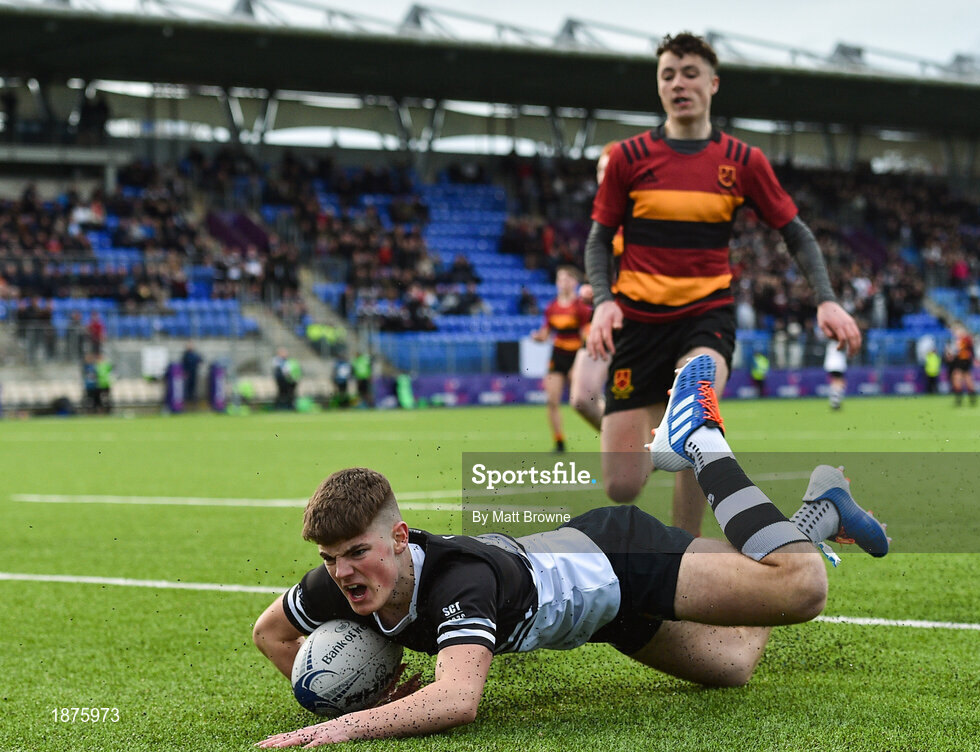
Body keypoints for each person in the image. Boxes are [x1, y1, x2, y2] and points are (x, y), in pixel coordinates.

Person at [253, 356, 888, 747]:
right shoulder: (339, 581)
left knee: (798, 589)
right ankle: (819, 510)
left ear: (399, 537)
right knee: (736, 662)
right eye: (332, 557)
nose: (343, 572)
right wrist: (370, 698)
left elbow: (456, 700)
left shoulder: (457, 581)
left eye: (356, 552)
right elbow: (272, 635)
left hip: (615, 557)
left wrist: (333, 729)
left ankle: (699, 438)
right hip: (601, 617)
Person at [585, 32, 861, 534]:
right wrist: (604, 302)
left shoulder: (743, 160)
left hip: (704, 315)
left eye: (689, 73)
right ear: (659, 86)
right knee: (622, 485)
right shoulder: (628, 157)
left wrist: (826, 301)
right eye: (667, 74)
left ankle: (687, 551)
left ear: (713, 83)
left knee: (697, 399)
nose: (678, 83)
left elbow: (794, 233)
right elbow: (599, 239)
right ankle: (665, 433)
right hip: (638, 325)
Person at [568, 142, 620, 432]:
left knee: (649, 405)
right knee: (581, 399)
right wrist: (598, 292)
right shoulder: (601, 215)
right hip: (604, 321)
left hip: (640, 321)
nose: (603, 176)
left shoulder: (640, 213)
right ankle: (638, 452)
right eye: (599, 169)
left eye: (609, 169)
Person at [531, 265, 594, 450]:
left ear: (574, 283)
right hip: (558, 355)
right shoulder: (552, 307)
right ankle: (559, 441)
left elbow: (586, 333)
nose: (563, 283)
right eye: (560, 279)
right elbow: (546, 333)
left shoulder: (581, 307)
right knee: (552, 400)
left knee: (581, 400)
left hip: (577, 355)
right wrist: (537, 337)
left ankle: (605, 428)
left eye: (567, 279)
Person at [946, 323, 977, 406]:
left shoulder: (962, 340)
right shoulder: (963, 339)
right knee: (965, 378)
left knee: (959, 378)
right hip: (962, 361)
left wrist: (951, 355)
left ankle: (960, 400)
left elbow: (959, 351)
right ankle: (971, 400)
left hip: (962, 361)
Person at [823, 338, 847, 410]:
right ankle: (835, 401)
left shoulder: (830, 342)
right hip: (838, 364)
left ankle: (834, 400)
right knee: (839, 382)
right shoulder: (839, 341)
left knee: (835, 381)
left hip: (830, 364)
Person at [182, 342, 203, 407]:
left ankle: (193, 402)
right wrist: (185, 372)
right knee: (187, 388)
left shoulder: (195, 354)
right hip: (188, 373)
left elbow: (200, 360)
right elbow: (183, 364)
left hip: (194, 373)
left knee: (193, 388)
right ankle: (186, 402)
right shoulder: (185, 355)